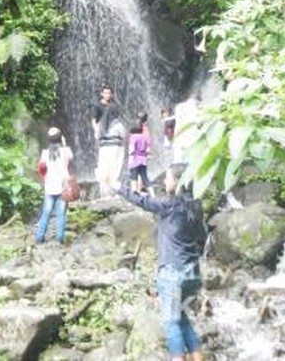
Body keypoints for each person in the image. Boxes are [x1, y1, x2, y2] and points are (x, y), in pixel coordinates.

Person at [118, 162, 207, 361]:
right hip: (193, 275)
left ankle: (177, 358)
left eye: (168, 177)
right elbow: (202, 237)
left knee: (171, 321)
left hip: (173, 273)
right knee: (181, 318)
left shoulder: (169, 204)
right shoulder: (196, 205)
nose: (165, 181)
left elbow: (141, 200)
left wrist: (115, 185)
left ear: (177, 182)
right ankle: (197, 357)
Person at [35, 127, 74, 245]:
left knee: (46, 212)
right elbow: (70, 160)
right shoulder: (66, 151)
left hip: (49, 187)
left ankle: (39, 237)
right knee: (61, 214)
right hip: (63, 186)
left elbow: (41, 168)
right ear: (60, 138)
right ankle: (59, 238)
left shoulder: (45, 153)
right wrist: (64, 143)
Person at [92, 85, 125, 197]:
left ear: (112, 94)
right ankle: (109, 191)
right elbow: (94, 120)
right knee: (109, 166)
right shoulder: (98, 106)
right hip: (106, 139)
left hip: (108, 140)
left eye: (109, 93)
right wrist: (97, 132)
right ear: (102, 94)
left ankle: (108, 191)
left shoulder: (114, 105)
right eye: (105, 93)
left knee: (108, 166)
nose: (107, 95)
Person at [126, 123, 151, 193]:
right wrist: (147, 155)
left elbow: (132, 149)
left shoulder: (133, 137)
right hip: (143, 160)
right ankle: (152, 194)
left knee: (133, 178)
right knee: (145, 178)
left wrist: (130, 155)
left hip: (134, 160)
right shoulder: (144, 137)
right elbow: (148, 148)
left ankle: (135, 193)